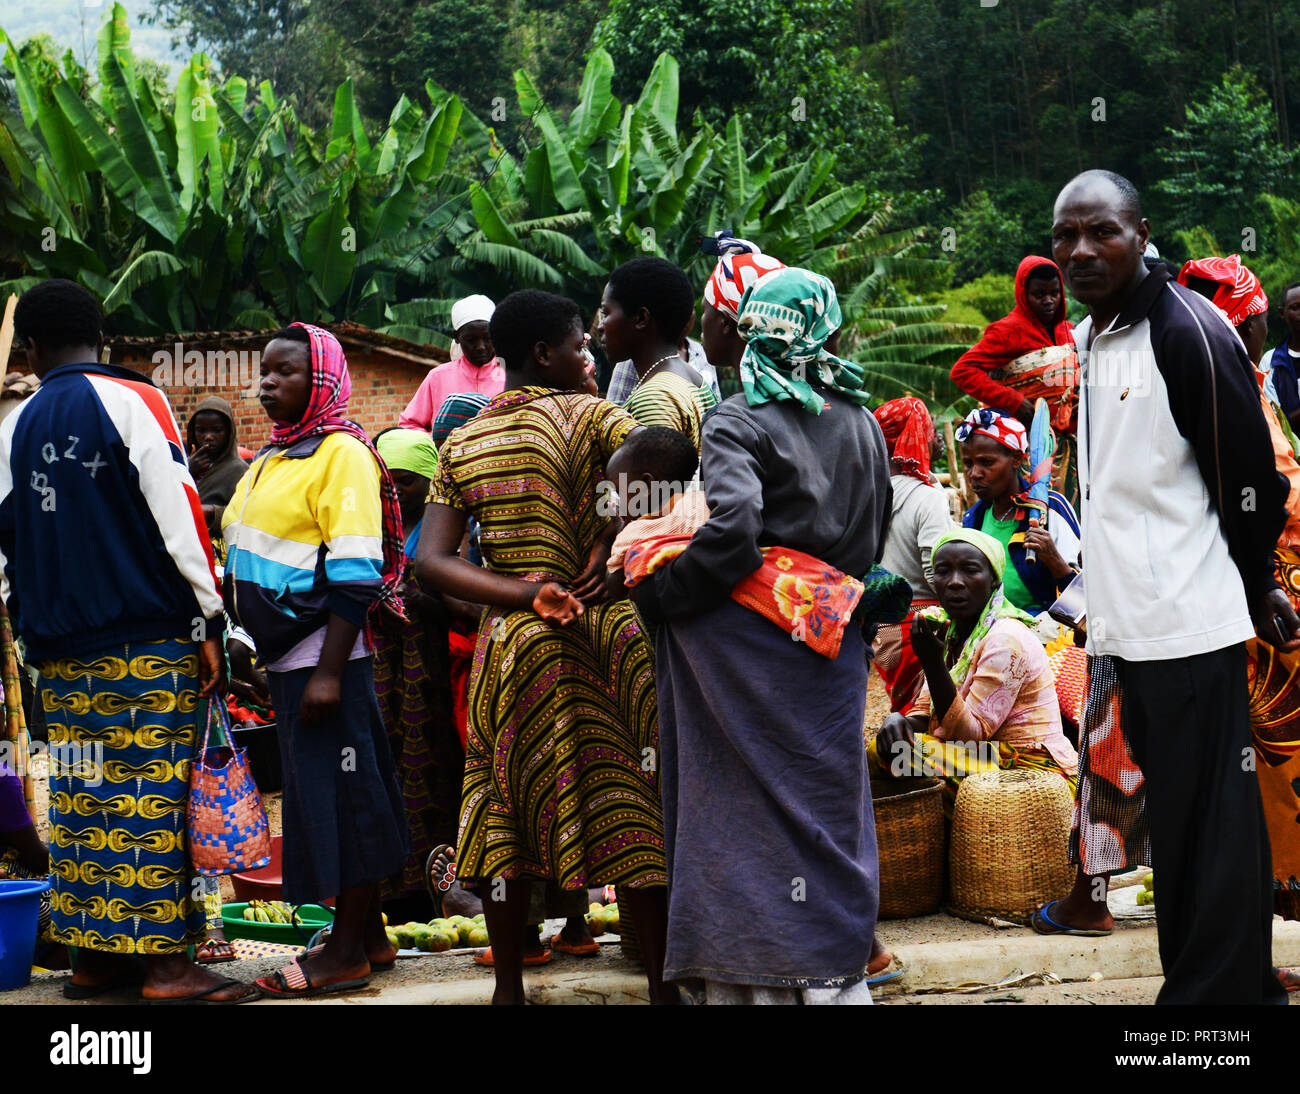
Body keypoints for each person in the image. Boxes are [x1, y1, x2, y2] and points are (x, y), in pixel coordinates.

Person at [1048, 169, 1294, 1005]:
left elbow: (1251, 477)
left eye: (1102, 232)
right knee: (1185, 830)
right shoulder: (1094, 337)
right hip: (1129, 630)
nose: (1081, 250)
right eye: (1066, 235)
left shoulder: (1189, 331)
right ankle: (1231, 987)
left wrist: (1258, 579)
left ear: (1141, 233)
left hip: (1189, 627)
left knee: (1215, 827)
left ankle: (1207, 1009)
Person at [631, 267, 887, 1005]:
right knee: (823, 818)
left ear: (752, 340)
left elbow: (734, 535)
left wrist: (664, 596)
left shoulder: (739, 420)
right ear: (826, 336)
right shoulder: (863, 422)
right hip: (830, 656)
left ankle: (752, 977)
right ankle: (833, 979)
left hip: (743, 663)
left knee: (734, 817)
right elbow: (867, 546)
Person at [0, 280, 257, 1003]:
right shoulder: (133, 399)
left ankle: (93, 963)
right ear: (101, 335)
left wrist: (30, 645)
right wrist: (209, 620)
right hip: (145, 644)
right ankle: (171, 972)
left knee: (85, 800)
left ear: (32, 347)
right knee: (151, 799)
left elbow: (10, 545)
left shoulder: (15, 423)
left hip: (57, 653)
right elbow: (181, 519)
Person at [416, 289, 671, 1005]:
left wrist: (522, 593)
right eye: (579, 348)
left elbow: (431, 564)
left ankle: (507, 989)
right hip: (608, 631)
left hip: (515, 647)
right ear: (543, 354)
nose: (589, 360)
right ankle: (662, 988)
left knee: (508, 812)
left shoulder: (463, 440)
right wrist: (605, 542)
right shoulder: (599, 418)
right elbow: (666, 476)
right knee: (635, 809)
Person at [222, 323, 409, 998]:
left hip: (322, 660)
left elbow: (357, 573)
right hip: (287, 661)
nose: (268, 383)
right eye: (264, 372)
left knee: (346, 798)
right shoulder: (275, 457)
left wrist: (329, 671)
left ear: (323, 380)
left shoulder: (341, 454)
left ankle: (343, 955)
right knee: (335, 792)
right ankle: (375, 937)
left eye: (286, 372)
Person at [870, 529, 1078, 816]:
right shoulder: (950, 629)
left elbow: (970, 736)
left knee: (898, 757)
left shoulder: (1006, 638)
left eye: (970, 571)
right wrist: (899, 721)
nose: (955, 582)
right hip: (986, 758)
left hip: (1030, 769)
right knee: (884, 749)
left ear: (993, 579)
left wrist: (932, 662)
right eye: (944, 572)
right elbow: (925, 710)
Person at [370, 429, 462, 913]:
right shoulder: (372, 529)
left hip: (433, 676)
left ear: (429, 482)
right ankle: (395, 889)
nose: (395, 492)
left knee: (434, 773)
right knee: (390, 769)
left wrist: (423, 600)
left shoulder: (446, 536)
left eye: (406, 482)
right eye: (387, 482)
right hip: (386, 676)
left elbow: (465, 604)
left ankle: (442, 881)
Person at [951, 257, 1080, 504]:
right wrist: (1015, 402)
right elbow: (963, 370)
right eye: (1039, 294)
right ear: (1023, 294)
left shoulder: (1069, 331)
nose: (1049, 300)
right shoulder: (1007, 331)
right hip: (1024, 445)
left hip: (1067, 448)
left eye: (1054, 293)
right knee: (1025, 512)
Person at [957, 407, 1080, 618]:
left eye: (986, 462)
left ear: (1016, 459)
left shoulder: (1050, 510)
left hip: (1044, 642)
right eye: (968, 463)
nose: (974, 474)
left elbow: (1082, 603)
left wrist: (1053, 559)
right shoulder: (974, 519)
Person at [871, 397, 954, 710]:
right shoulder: (928, 498)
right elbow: (937, 572)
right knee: (926, 716)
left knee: (902, 705)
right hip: (920, 627)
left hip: (881, 629)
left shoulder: (868, 492)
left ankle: (894, 756)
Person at [598, 257, 717, 448]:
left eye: (606, 313)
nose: (600, 326)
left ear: (641, 319)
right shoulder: (692, 377)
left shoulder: (655, 398)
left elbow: (655, 478)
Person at [398, 295, 503, 431]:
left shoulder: (511, 376)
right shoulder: (438, 377)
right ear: (457, 337)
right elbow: (408, 424)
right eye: (471, 340)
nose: (481, 346)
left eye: (487, 338)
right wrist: (438, 442)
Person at [186, 396, 247, 547]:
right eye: (201, 430)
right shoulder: (183, 463)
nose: (208, 436)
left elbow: (247, 517)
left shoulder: (239, 470)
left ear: (229, 432)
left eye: (217, 430)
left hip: (218, 551)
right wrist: (186, 471)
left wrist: (213, 511)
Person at [1266, 282, 1300, 431]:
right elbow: (1273, 422)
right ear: (1282, 313)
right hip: (1289, 453)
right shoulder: (1271, 361)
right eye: (1295, 307)